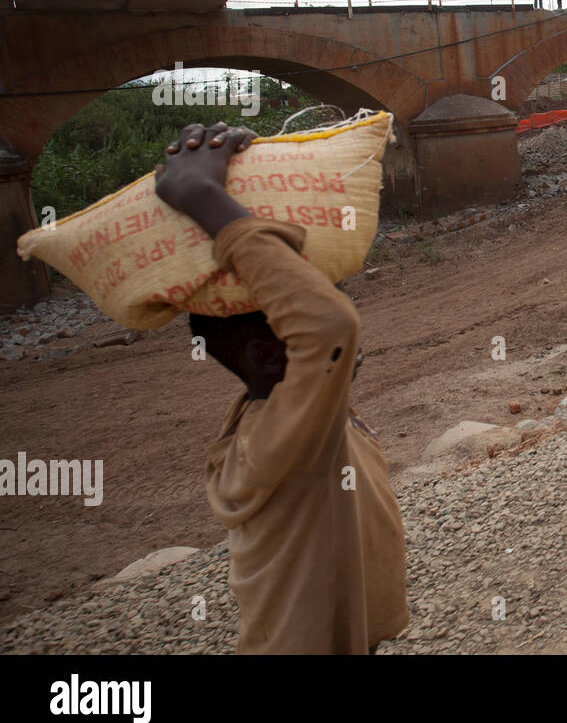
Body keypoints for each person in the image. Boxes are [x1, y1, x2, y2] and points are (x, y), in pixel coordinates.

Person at [153, 121, 409, 654]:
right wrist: (204, 199)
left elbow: (317, 325)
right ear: (270, 354)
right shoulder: (288, 434)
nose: (345, 310)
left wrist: (240, 194)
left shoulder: (279, 412)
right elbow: (329, 327)